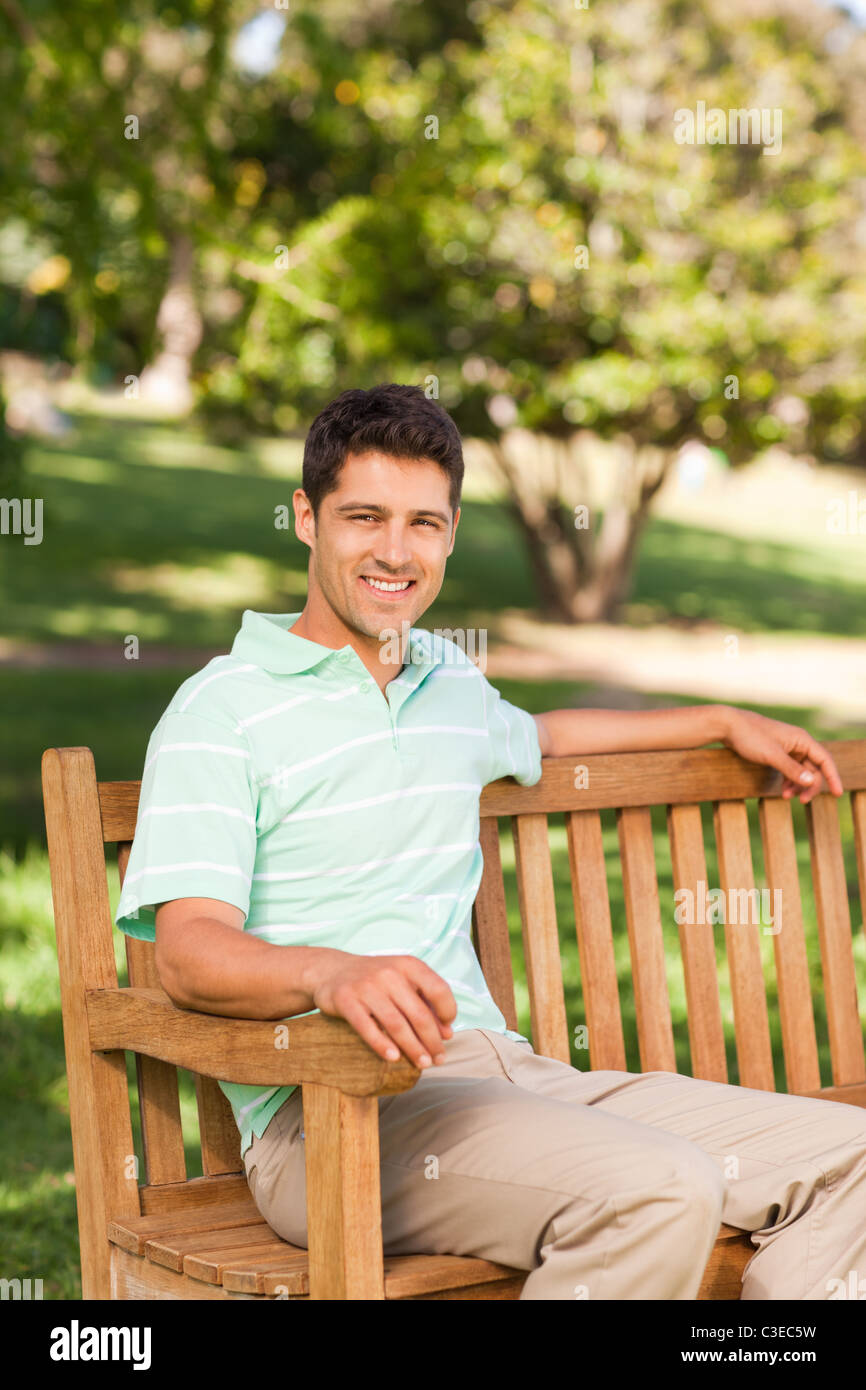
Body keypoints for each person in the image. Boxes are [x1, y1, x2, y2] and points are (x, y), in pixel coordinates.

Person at [115, 382, 864, 1300]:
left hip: (511, 1078)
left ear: (453, 534)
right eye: (364, 517)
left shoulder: (443, 682)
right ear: (306, 518)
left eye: (424, 524)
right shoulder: (221, 711)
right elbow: (187, 954)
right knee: (661, 1189)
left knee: (856, 1161)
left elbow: (547, 737)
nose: (396, 551)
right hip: (338, 1112)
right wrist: (329, 975)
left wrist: (717, 717)